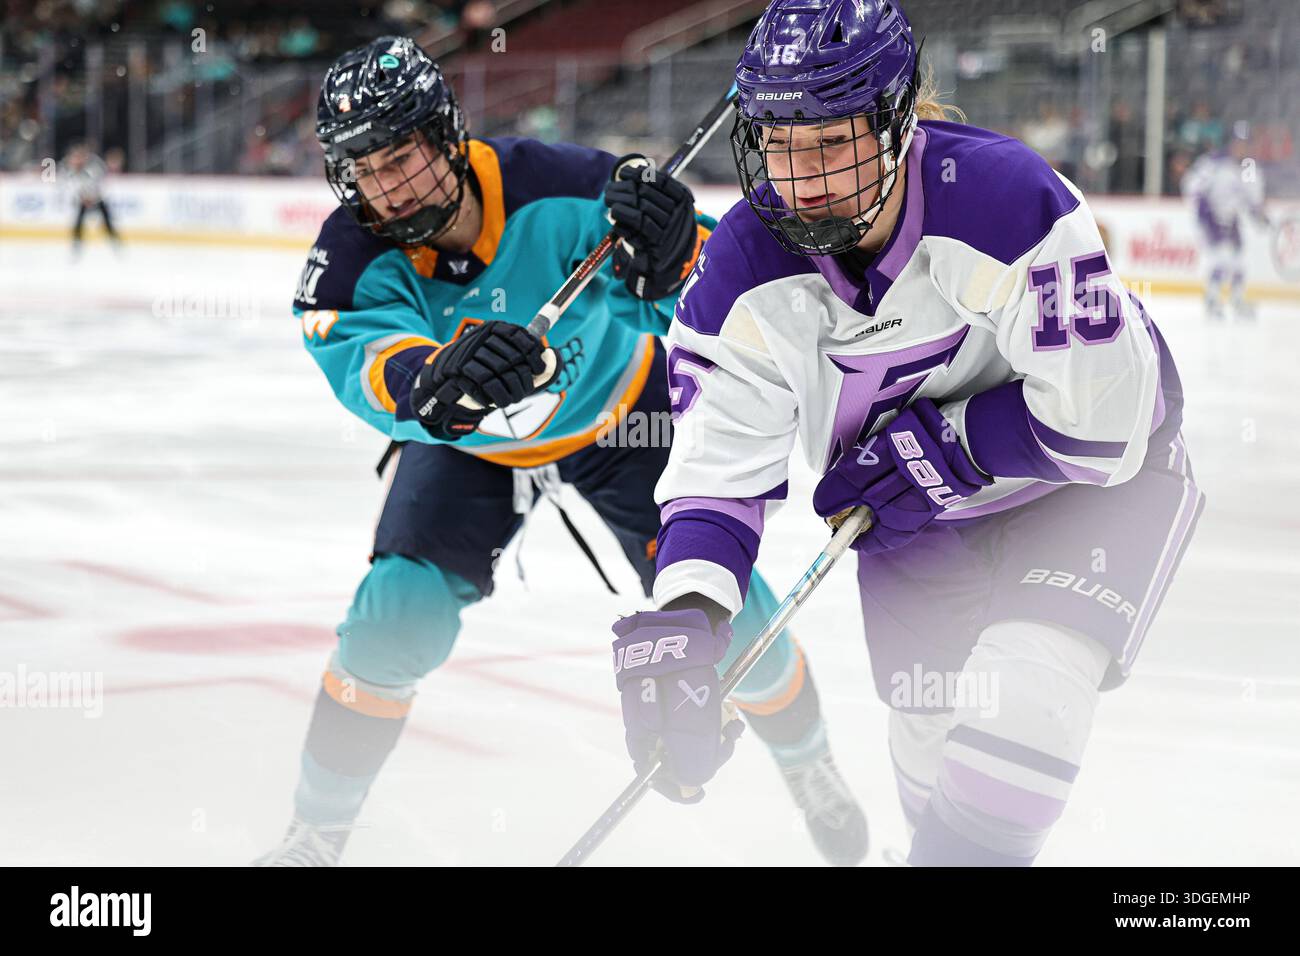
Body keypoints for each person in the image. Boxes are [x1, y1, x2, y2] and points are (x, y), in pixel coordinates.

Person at [610, 0, 1204, 866]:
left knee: (1024, 696)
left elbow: (1113, 424)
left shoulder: (1005, 201)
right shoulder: (739, 268)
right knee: (935, 746)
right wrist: (688, 617)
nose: (802, 179)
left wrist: (950, 447)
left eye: (830, 143)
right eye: (779, 143)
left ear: (896, 125)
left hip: (1084, 493)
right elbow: (716, 474)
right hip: (913, 519)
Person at [258, 36, 867, 866]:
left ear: (445, 137)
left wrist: (669, 265)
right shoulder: (353, 255)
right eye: (365, 170)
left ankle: (810, 765)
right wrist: (435, 379)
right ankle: (315, 836)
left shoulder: (561, 183)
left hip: (622, 415)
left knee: (731, 612)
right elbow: (363, 360)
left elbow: (719, 288)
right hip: (471, 444)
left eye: (401, 156)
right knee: (393, 614)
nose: (389, 189)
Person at [1182, 124, 1269, 319]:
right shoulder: (1214, 163)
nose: (1241, 148)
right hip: (1211, 217)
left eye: (1245, 144)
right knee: (1220, 259)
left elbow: (1252, 197)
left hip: (1232, 219)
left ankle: (1237, 299)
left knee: (1238, 260)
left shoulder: (1248, 167)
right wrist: (1202, 209)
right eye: (1238, 143)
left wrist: (1258, 214)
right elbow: (1191, 185)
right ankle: (1213, 299)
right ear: (1231, 143)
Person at [61, 143, 121, 255]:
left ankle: (114, 241)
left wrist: (91, 198)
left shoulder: (94, 168)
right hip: (84, 199)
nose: (75, 161)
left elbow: (99, 184)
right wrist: (83, 198)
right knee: (78, 222)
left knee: (107, 221)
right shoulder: (72, 172)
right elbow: (74, 188)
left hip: (97, 198)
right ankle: (77, 243)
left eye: (78, 158)